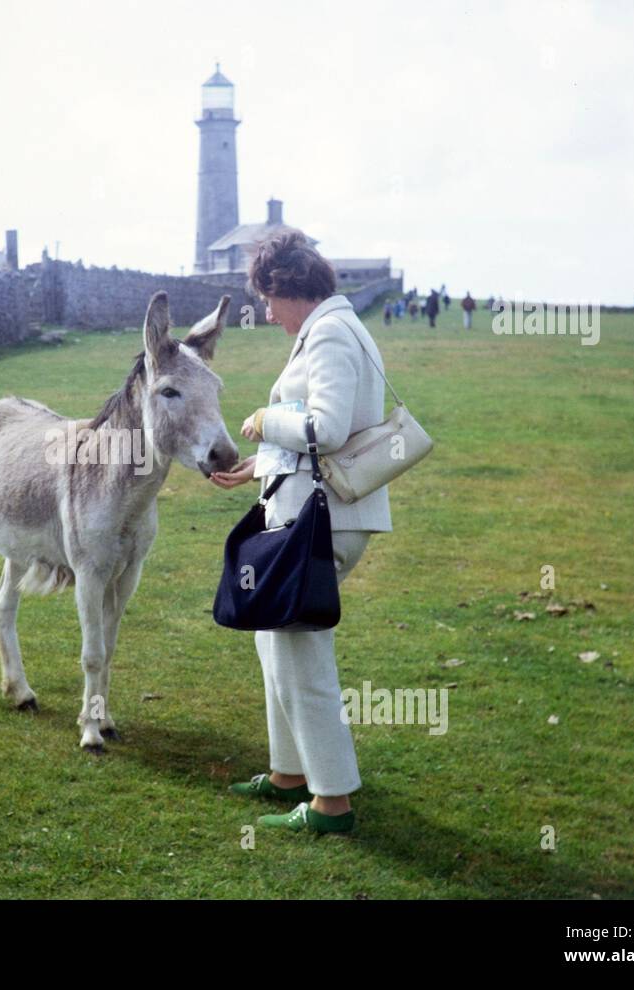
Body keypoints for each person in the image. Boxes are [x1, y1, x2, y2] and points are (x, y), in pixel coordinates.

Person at [209, 229, 392, 837]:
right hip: (311, 510)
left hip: (323, 522)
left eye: (268, 297)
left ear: (289, 286)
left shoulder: (333, 331)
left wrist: (266, 422)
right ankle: (289, 772)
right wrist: (255, 470)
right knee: (275, 641)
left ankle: (331, 803)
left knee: (300, 653)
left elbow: (328, 428)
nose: (266, 312)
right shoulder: (330, 327)